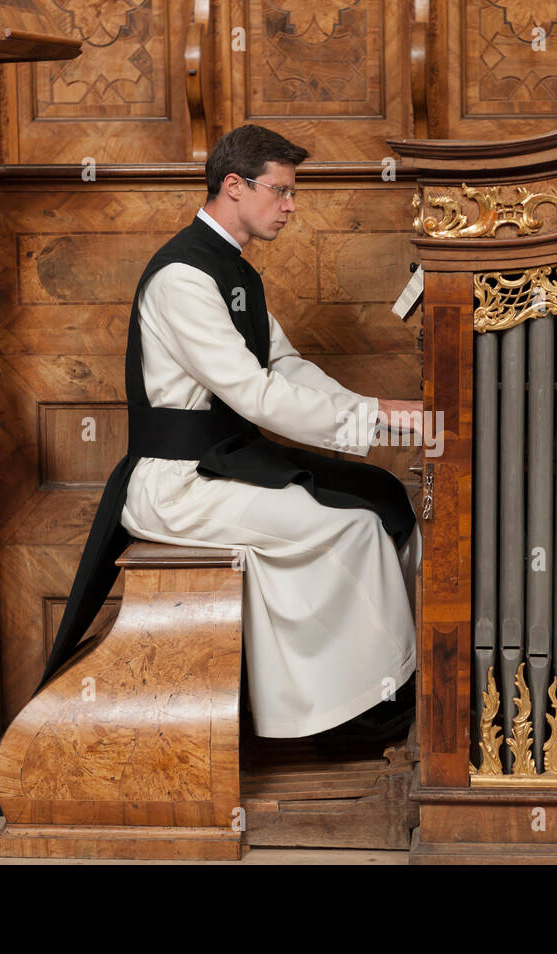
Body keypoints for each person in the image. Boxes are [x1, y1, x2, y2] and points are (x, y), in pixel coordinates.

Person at [41, 124, 423, 746]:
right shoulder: (183, 276)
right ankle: (334, 715)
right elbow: (255, 395)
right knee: (350, 525)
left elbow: (284, 366)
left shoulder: (233, 270)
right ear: (235, 185)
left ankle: (381, 689)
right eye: (282, 191)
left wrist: (376, 406)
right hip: (178, 483)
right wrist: (378, 418)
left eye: (292, 193)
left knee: (383, 496)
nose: (291, 207)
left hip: (226, 462)